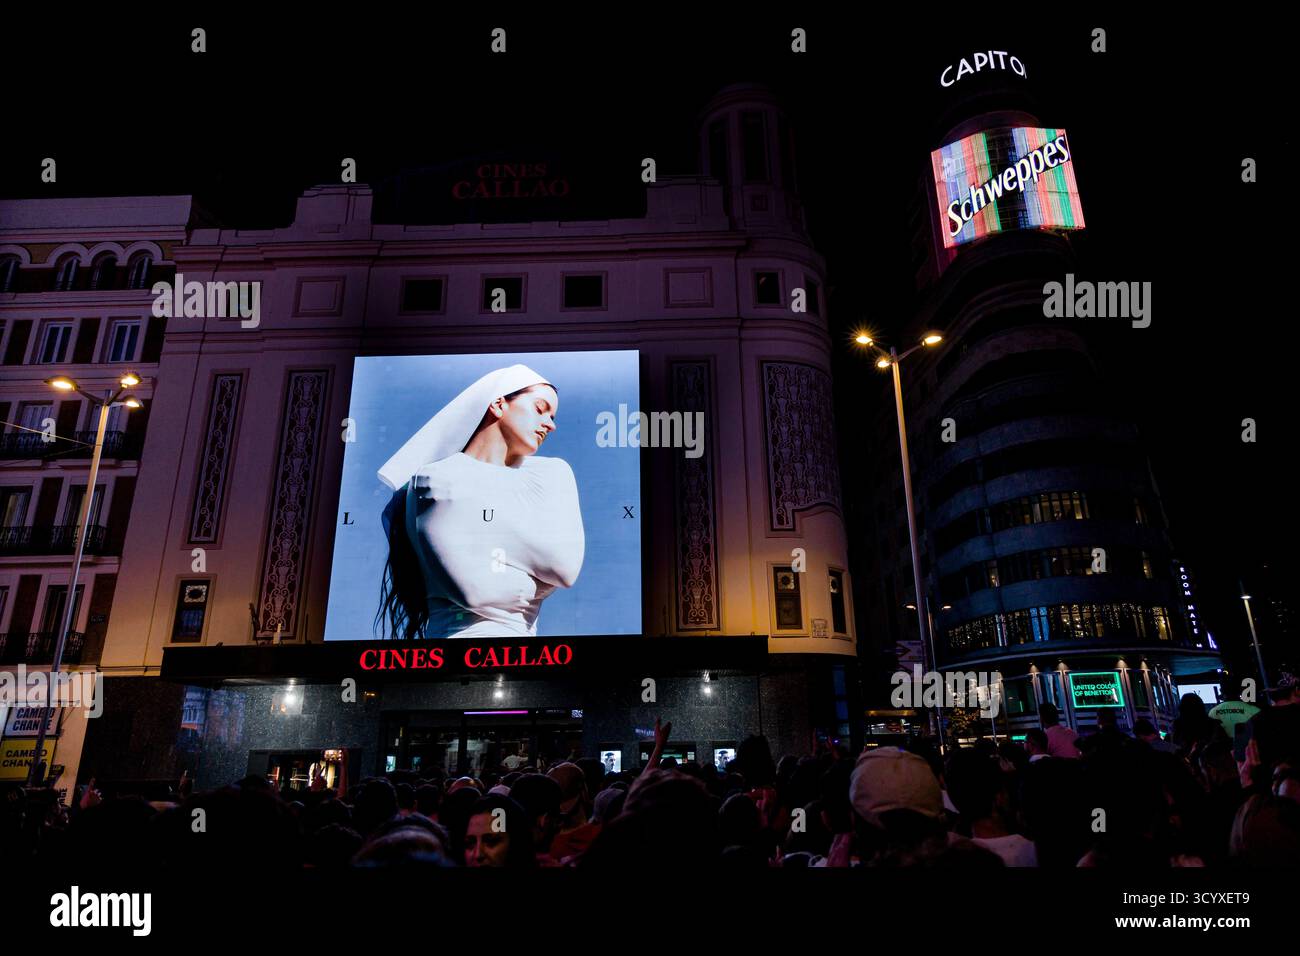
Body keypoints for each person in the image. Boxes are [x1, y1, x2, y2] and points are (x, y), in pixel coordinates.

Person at [376, 364, 585, 639]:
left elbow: (564, 567)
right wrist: (536, 571)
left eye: (553, 415)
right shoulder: (436, 478)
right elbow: (475, 592)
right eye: (540, 408)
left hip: (529, 660)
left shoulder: (551, 473)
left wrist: (480, 533)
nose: (551, 424)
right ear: (499, 404)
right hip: (451, 657)